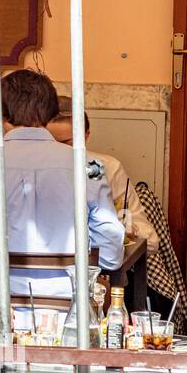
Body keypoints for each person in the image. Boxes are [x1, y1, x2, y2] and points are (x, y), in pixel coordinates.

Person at [0, 69, 124, 297]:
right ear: (51, 114)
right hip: (67, 317)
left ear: (1, 115)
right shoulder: (88, 166)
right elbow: (110, 254)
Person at [47, 96, 160, 255]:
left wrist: (125, 227)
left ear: (86, 136)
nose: (59, 151)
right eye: (51, 144)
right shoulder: (31, 170)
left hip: (98, 262)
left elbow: (151, 241)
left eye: (67, 143)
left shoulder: (103, 168)